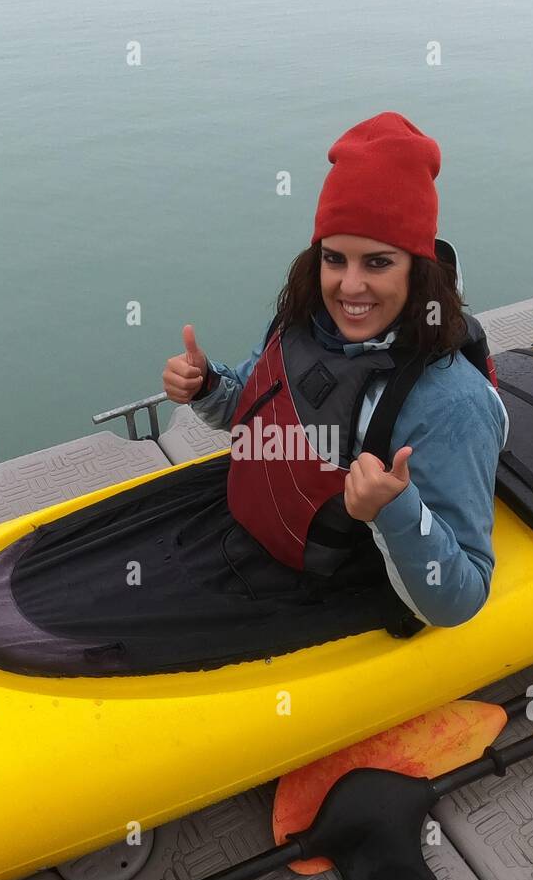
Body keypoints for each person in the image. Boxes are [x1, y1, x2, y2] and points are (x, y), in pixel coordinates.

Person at [164, 111, 508, 630]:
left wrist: (394, 507)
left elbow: (463, 596)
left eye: (377, 262)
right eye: (335, 259)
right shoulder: (302, 320)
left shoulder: (452, 403)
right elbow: (250, 412)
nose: (348, 288)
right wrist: (207, 384)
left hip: (345, 581)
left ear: (419, 269)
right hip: (257, 529)